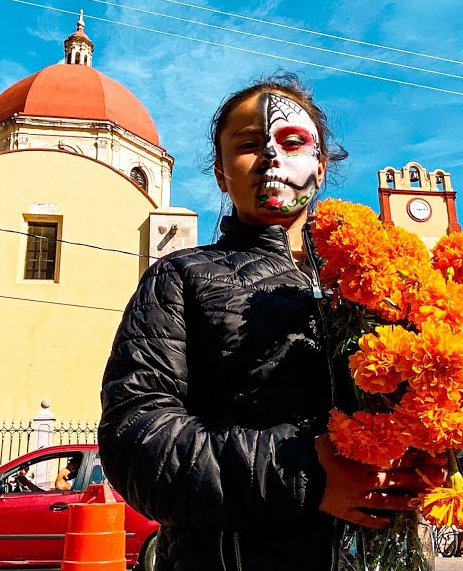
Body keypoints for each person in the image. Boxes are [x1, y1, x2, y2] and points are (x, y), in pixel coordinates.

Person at [99, 75, 444, 571]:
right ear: (221, 174)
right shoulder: (180, 278)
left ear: (320, 167)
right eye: (247, 145)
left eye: (292, 142)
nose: (270, 157)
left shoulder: (387, 288)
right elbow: (135, 442)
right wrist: (304, 472)